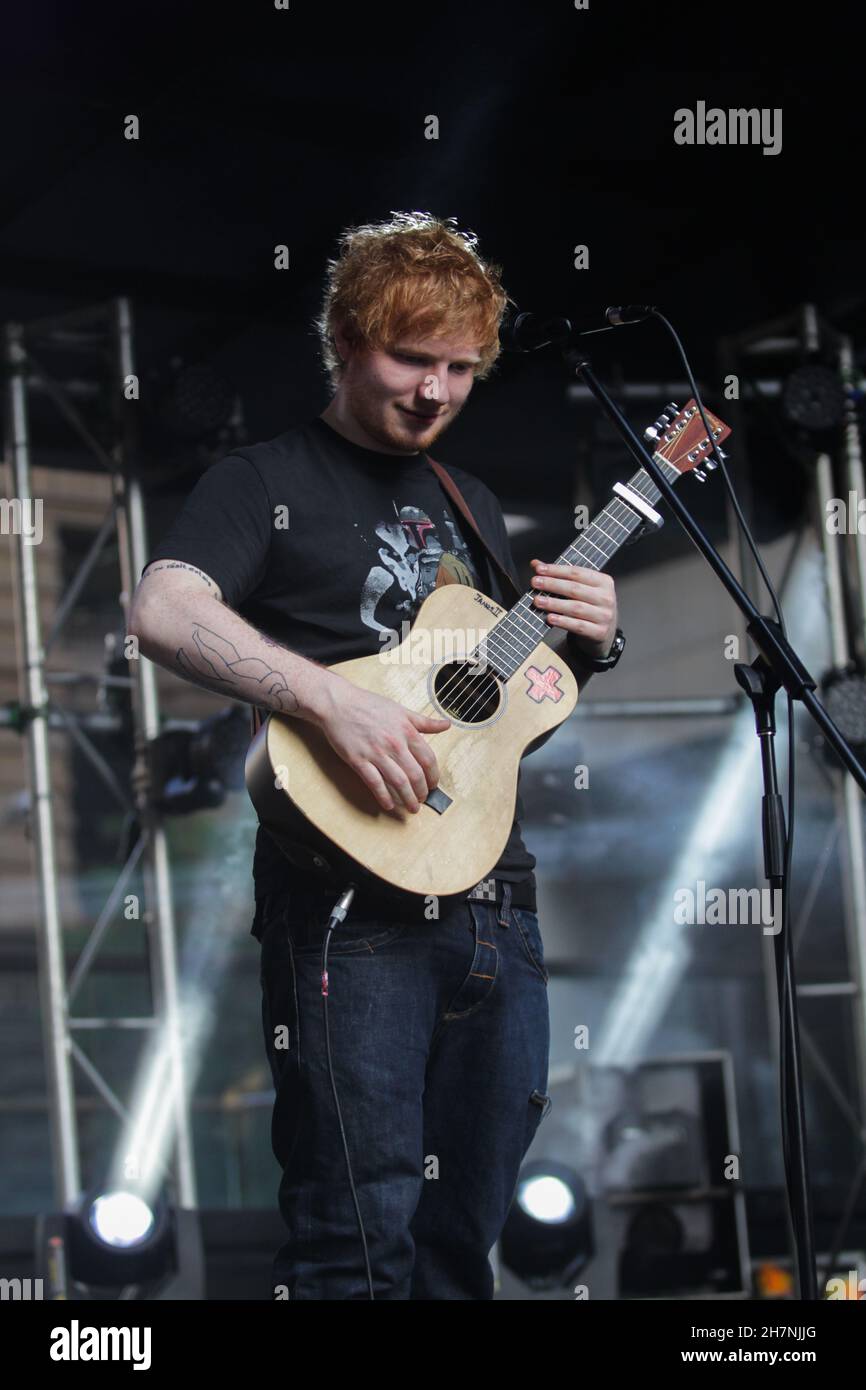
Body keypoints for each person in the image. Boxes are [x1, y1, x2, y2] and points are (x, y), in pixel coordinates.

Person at [129, 211, 620, 1300]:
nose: (435, 391)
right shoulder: (258, 479)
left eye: (458, 368)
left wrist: (591, 638)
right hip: (349, 919)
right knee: (356, 1238)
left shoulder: (470, 502)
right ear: (347, 341)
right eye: (410, 358)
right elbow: (162, 608)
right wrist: (325, 704)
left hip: (496, 905)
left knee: (460, 1246)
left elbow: (500, 707)